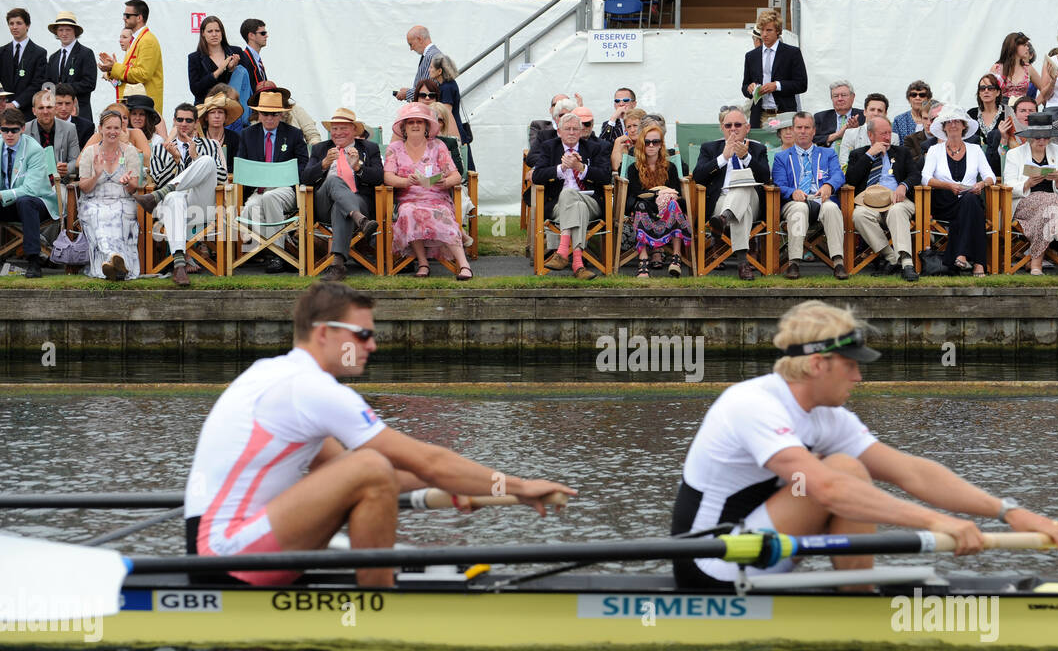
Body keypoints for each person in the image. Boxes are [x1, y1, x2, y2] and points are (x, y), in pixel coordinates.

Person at [184, 282, 575, 589]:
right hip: (227, 556)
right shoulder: (311, 389)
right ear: (323, 333)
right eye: (362, 334)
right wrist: (521, 487)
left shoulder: (275, 374)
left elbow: (351, 470)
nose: (372, 345)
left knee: (370, 468)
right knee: (370, 465)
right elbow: (424, 463)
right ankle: (378, 600)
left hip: (221, 550)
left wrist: (469, 485)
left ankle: (373, 593)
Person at [669, 299, 1058, 588]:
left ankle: (857, 595)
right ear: (816, 364)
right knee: (842, 472)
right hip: (712, 566)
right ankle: (858, 598)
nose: (859, 378)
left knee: (848, 468)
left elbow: (912, 472)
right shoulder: (752, 404)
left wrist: (1009, 511)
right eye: (850, 366)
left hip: (761, 553)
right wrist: (936, 522)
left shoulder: (828, 416)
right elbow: (827, 489)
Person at [135, 101, 229, 286]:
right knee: (175, 198)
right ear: (174, 121)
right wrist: (175, 161)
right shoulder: (161, 148)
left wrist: (196, 158)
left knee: (207, 161)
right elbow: (158, 179)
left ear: (196, 123)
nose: (184, 123)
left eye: (189, 120)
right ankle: (179, 264)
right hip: (173, 205)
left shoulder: (210, 145)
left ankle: (159, 195)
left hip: (201, 203)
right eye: (180, 119)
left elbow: (222, 176)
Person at [383, 101, 472, 281]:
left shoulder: (438, 146)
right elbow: (387, 177)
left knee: (443, 214)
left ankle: (464, 265)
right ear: (404, 127)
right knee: (408, 212)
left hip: (436, 197)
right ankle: (423, 262)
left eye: (419, 122)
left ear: (426, 126)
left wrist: (444, 182)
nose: (415, 125)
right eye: (410, 122)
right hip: (408, 199)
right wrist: (405, 181)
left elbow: (456, 176)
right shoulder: (394, 149)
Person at [528, 111, 611, 280]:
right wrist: (561, 168)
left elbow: (605, 176)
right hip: (559, 205)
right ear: (559, 132)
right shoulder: (549, 147)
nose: (572, 132)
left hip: (591, 203)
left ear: (581, 132)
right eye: (567, 129)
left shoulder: (595, 148)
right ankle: (578, 263)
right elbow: (537, 176)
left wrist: (582, 168)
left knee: (571, 195)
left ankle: (562, 252)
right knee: (573, 201)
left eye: (575, 129)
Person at [235, 86, 309, 273]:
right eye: (265, 114)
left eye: (274, 114)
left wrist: (284, 174)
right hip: (258, 189)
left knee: (270, 199)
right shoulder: (247, 135)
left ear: (281, 115)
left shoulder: (294, 134)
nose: (269, 118)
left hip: (285, 189)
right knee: (251, 208)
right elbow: (241, 166)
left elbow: (303, 165)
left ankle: (277, 254)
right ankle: (274, 253)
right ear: (258, 114)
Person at [305, 107, 384, 282]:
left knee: (341, 208)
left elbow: (379, 178)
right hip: (323, 203)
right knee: (334, 181)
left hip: (358, 201)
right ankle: (360, 220)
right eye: (334, 128)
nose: (338, 132)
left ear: (355, 130)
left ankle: (337, 265)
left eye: (343, 128)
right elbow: (305, 178)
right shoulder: (319, 149)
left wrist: (358, 167)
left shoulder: (369, 148)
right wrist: (324, 164)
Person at [694, 106, 771, 281]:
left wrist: (746, 158)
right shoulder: (710, 148)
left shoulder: (758, 149)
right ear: (722, 128)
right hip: (722, 201)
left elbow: (766, 177)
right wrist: (723, 158)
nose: (733, 129)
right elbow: (698, 177)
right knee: (742, 213)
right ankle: (743, 263)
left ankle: (723, 219)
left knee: (743, 185)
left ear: (747, 128)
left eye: (738, 124)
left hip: (753, 200)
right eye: (728, 125)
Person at [1004, 113, 1058, 274]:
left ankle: (1035, 265)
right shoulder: (1014, 154)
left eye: (1046, 138)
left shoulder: (1057, 150)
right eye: (1038, 138)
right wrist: (1027, 183)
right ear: (1029, 137)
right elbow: (1008, 184)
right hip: (1024, 203)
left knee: (1048, 207)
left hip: (1051, 207)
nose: (1042, 141)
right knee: (1051, 201)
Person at [921, 106, 996, 276]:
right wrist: (948, 186)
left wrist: (981, 185)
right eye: (949, 122)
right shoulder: (934, 150)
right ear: (944, 127)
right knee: (973, 209)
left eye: (957, 121)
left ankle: (962, 255)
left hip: (969, 199)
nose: (953, 124)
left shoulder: (975, 150)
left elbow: (990, 176)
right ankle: (978, 263)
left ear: (964, 126)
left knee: (970, 201)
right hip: (944, 202)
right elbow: (925, 178)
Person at [845, 116, 921, 281]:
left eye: (889, 133)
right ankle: (892, 258)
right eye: (882, 133)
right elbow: (850, 179)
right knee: (858, 215)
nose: (887, 137)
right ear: (870, 135)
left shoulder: (901, 152)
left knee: (897, 210)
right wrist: (870, 155)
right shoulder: (858, 154)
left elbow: (915, 174)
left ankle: (907, 263)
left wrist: (903, 185)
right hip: (869, 202)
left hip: (897, 200)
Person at [773, 111, 846, 281]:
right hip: (795, 201)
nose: (803, 131)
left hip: (821, 198)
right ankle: (794, 262)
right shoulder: (782, 157)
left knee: (831, 208)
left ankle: (838, 262)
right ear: (793, 129)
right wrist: (792, 192)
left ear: (814, 131)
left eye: (807, 127)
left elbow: (838, 175)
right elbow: (778, 183)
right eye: (799, 127)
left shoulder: (828, 153)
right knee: (799, 208)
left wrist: (829, 185)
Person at [76, 107, 143, 282]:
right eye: (108, 128)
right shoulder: (90, 152)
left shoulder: (130, 152)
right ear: (100, 129)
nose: (112, 132)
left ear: (122, 129)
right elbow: (84, 187)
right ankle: (115, 259)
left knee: (118, 214)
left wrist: (129, 182)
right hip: (94, 199)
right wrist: (96, 175)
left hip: (122, 199)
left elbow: (134, 187)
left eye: (116, 128)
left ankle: (112, 262)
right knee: (99, 214)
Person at [624, 120, 691, 279]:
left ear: (661, 144)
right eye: (647, 142)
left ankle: (676, 257)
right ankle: (643, 258)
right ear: (641, 144)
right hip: (644, 207)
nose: (651, 145)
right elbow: (636, 193)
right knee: (641, 205)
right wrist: (660, 192)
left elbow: (676, 192)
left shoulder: (670, 167)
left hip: (667, 209)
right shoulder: (633, 168)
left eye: (656, 142)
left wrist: (665, 195)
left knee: (674, 204)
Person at [0, 106, 57, 278]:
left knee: (26, 202)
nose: (9, 134)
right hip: (9, 202)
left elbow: (30, 190)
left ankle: (34, 261)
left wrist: (2, 195)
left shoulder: (34, 149)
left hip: (39, 202)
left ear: (23, 129)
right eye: (5, 130)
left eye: (14, 130)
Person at [742, 9, 807, 129]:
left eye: (769, 30)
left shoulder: (792, 53)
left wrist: (777, 86)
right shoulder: (751, 56)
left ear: (778, 31)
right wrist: (749, 88)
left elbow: (802, 84)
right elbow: (744, 86)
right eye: (762, 30)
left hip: (784, 114)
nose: (764, 34)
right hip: (760, 115)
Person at [99, 0, 162, 112]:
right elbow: (127, 78)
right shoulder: (137, 40)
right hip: (133, 105)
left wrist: (114, 68)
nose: (124, 18)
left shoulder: (147, 40)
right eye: (124, 15)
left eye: (127, 15)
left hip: (143, 108)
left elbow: (143, 74)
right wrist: (111, 72)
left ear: (139, 18)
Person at [45, 11, 94, 122]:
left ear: (75, 32)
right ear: (56, 33)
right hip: (57, 115)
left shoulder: (86, 53)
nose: (64, 33)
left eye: (68, 30)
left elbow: (89, 83)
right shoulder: (53, 57)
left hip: (80, 113)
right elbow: (48, 82)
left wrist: (64, 89)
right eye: (61, 30)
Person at [22, 88, 78, 183]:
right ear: (34, 111)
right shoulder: (25, 130)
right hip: (31, 182)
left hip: (60, 182)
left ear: (55, 108)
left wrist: (66, 168)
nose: (45, 112)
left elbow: (75, 160)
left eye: (49, 107)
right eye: (41, 108)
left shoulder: (70, 128)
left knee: (62, 197)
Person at [1, 8, 47, 120]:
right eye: (11, 24)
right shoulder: (1, 52)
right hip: (3, 112)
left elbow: (37, 83)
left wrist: (15, 104)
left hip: (27, 113)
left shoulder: (39, 53)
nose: (14, 27)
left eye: (19, 23)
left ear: (27, 25)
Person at [429, 54, 472, 171]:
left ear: (439, 71)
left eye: (431, 67)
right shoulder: (449, 84)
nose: (429, 70)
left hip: (454, 129)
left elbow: (446, 113)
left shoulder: (446, 87)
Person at [188, 16, 241, 106]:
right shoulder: (194, 58)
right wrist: (218, 71)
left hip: (232, 108)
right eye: (210, 31)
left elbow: (242, 84)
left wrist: (231, 70)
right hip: (206, 109)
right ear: (203, 33)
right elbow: (196, 89)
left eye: (217, 31)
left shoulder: (236, 52)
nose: (214, 34)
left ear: (222, 33)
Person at [991, 32, 1049, 106]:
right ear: (1014, 47)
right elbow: (988, 92)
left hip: (1021, 114)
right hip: (1002, 112)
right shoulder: (996, 68)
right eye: (1024, 45)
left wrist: (1033, 105)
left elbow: (1044, 90)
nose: (1027, 48)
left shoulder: (1028, 68)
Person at [197, 90, 240, 178]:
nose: (217, 116)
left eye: (220, 112)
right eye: (212, 112)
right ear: (206, 117)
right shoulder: (199, 136)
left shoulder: (235, 138)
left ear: (225, 117)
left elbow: (237, 165)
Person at [813, 80, 865, 150]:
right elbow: (810, 139)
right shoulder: (820, 117)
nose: (840, 99)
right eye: (835, 96)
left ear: (853, 97)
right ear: (831, 98)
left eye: (843, 95)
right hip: (828, 158)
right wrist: (837, 135)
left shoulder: (863, 116)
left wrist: (857, 131)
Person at [396, 26, 441, 103]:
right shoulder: (430, 55)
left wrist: (407, 94)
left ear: (419, 39)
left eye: (411, 44)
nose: (411, 49)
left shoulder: (431, 56)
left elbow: (427, 89)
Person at [903, 99, 944, 163]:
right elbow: (912, 165)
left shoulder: (949, 138)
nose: (928, 123)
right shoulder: (910, 140)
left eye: (933, 119)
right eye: (925, 118)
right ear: (921, 119)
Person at [238, 19, 268, 97]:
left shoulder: (257, 59)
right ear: (251, 35)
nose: (266, 36)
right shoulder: (243, 59)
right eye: (263, 33)